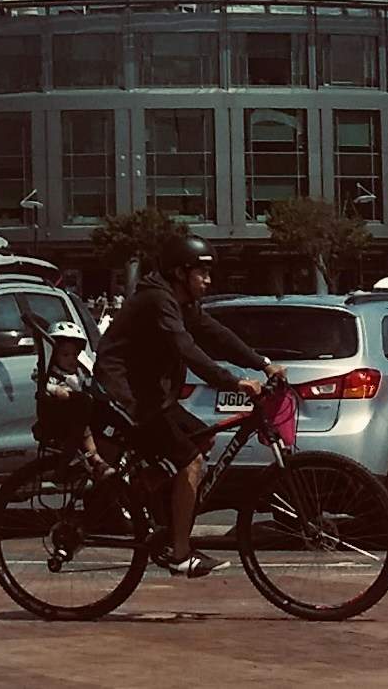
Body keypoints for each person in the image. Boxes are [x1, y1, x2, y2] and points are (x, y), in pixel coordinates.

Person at [96, 232, 280, 578]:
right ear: (180, 273)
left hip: (150, 396)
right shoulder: (158, 301)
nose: (209, 280)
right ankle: (180, 553)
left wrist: (262, 363)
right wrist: (232, 381)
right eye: (202, 272)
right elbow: (185, 348)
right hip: (125, 396)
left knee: (203, 437)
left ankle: (144, 492)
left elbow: (216, 334)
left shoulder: (183, 303)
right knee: (191, 461)